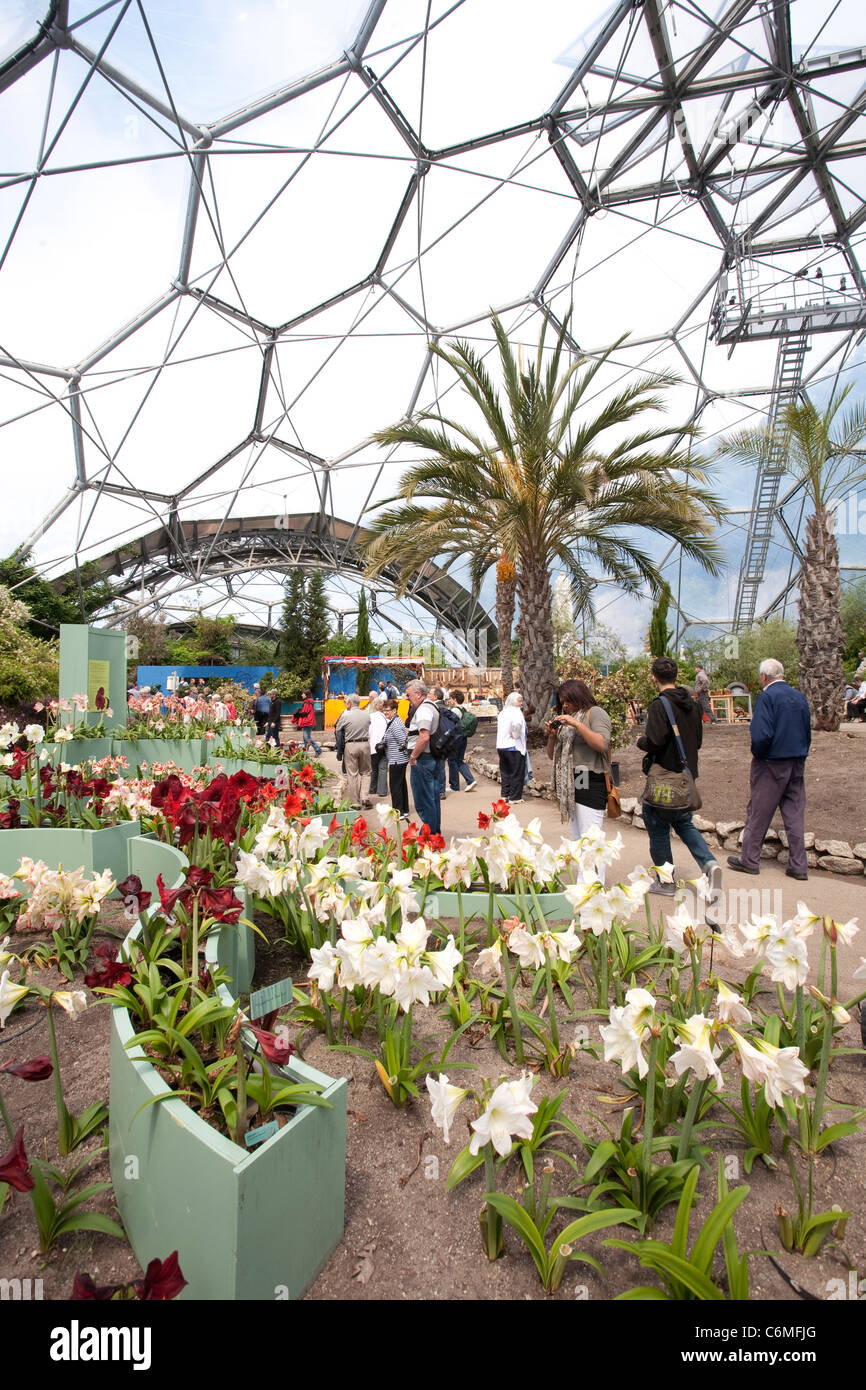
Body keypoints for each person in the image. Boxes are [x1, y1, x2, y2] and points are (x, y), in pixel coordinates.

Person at [637, 656, 722, 901]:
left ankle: (665, 880)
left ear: (654, 677)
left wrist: (640, 742)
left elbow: (654, 741)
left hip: (664, 776)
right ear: (676, 676)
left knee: (657, 824)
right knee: (684, 822)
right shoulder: (693, 705)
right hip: (686, 776)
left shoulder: (659, 705)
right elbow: (697, 742)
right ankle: (709, 864)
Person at [727, 658, 811, 881]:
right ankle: (798, 865)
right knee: (794, 814)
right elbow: (806, 728)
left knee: (759, 812)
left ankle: (749, 860)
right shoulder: (798, 696)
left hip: (772, 762)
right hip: (797, 760)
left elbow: (761, 734)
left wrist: (758, 753)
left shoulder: (767, 697)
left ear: (764, 677)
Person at [547, 679, 612, 840]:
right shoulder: (567, 720)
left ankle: (595, 867)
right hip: (571, 781)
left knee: (590, 839)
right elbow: (552, 756)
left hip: (589, 779)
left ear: (579, 696)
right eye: (562, 702)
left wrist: (577, 724)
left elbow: (602, 744)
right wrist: (552, 737)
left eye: (568, 700)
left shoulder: (595, 713)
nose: (565, 705)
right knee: (578, 839)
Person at [405, 679, 441, 834]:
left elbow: (424, 736)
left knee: (424, 801)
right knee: (432, 799)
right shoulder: (430, 707)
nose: (407, 698)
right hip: (429, 758)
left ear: (418, 694)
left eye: (409, 695)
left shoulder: (424, 710)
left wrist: (413, 756)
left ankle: (427, 836)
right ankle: (434, 834)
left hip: (423, 759)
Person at [334, 692, 371, 809]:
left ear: (349, 703)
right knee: (366, 772)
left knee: (352, 774)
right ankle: (365, 797)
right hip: (365, 744)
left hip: (351, 745)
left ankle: (355, 802)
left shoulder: (346, 715)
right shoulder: (366, 715)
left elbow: (338, 728)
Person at [382, 697, 410, 816]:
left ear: (394, 710)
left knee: (395, 787)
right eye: (384, 710)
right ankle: (404, 810)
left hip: (397, 760)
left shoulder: (396, 724)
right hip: (398, 759)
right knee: (401, 784)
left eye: (387, 710)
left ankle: (398, 811)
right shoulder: (394, 721)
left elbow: (403, 741)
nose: (385, 712)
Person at [496, 691, 526, 803]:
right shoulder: (516, 712)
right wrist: (516, 734)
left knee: (505, 772)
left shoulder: (503, 712)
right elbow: (517, 724)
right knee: (516, 772)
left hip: (501, 746)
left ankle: (505, 794)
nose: (521, 703)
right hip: (514, 746)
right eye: (519, 701)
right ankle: (515, 797)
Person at [446, 690, 478, 793]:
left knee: (452, 760)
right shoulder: (463, 709)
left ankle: (456, 785)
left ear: (454, 699)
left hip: (455, 739)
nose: (449, 700)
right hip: (463, 738)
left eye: (450, 698)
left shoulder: (454, 711)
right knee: (458, 760)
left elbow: (450, 726)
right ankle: (469, 780)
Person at [367, 696, 389, 801]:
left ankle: (372, 788)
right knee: (383, 768)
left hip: (372, 746)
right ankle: (382, 790)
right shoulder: (386, 718)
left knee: (373, 768)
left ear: (374, 706)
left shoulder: (370, 717)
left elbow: (368, 732)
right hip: (383, 746)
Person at [292, 689, 322, 756]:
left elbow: (304, 713)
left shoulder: (307, 702)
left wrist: (298, 713)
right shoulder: (309, 701)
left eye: (303, 694)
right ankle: (304, 753)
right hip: (309, 721)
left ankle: (318, 749)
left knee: (307, 738)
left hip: (307, 721)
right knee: (305, 739)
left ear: (306, 695)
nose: (302, 695)